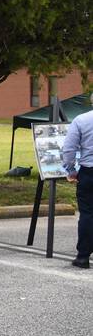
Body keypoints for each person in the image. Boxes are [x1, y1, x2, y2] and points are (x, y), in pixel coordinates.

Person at [61, 110, 93, 268]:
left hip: (89, 172)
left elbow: (68, 150)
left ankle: (83, 257)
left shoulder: (81, 120)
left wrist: (71, 171)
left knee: (87, 214)